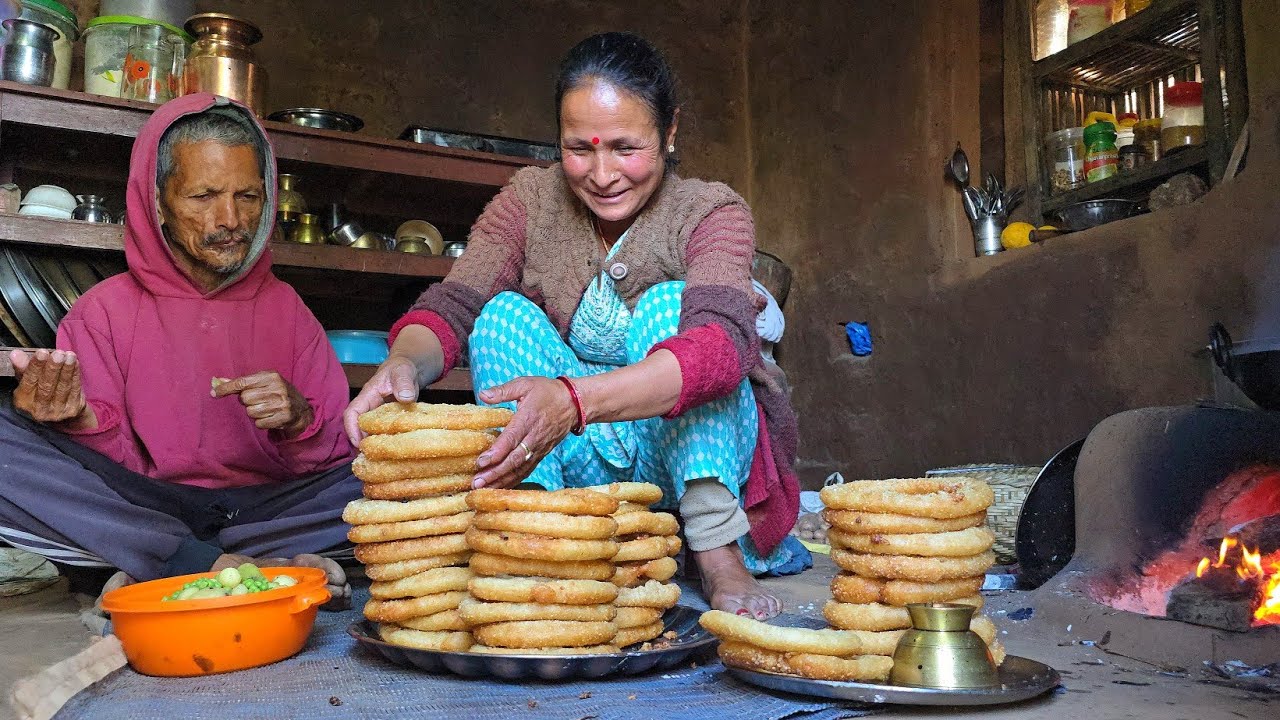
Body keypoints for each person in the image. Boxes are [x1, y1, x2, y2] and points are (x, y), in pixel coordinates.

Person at [346, 32, 801, 619]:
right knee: (501, 316)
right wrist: (403, 362)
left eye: (626, 148)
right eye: (579, 149)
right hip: (577, 455)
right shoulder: (531, 201)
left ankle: (716, 551)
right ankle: (540, 526)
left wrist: (574, 400)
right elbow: (455, 304)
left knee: (669, 307)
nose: (602, 174)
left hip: (679, 453)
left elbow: (721, 348)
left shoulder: (710, 210)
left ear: (669, 132)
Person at [0, 94, 357, 606]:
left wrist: (300, 421)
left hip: (273, 510)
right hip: (146, 505)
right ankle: (218, 563)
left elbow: (335, 458)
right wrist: (76, 420)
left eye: (248, 196)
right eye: (203, 196)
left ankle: (171, 564)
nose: (230, 218)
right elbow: (112, 471)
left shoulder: (290, 311)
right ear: (157, 203)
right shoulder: (102, 311)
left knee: (408, 475)